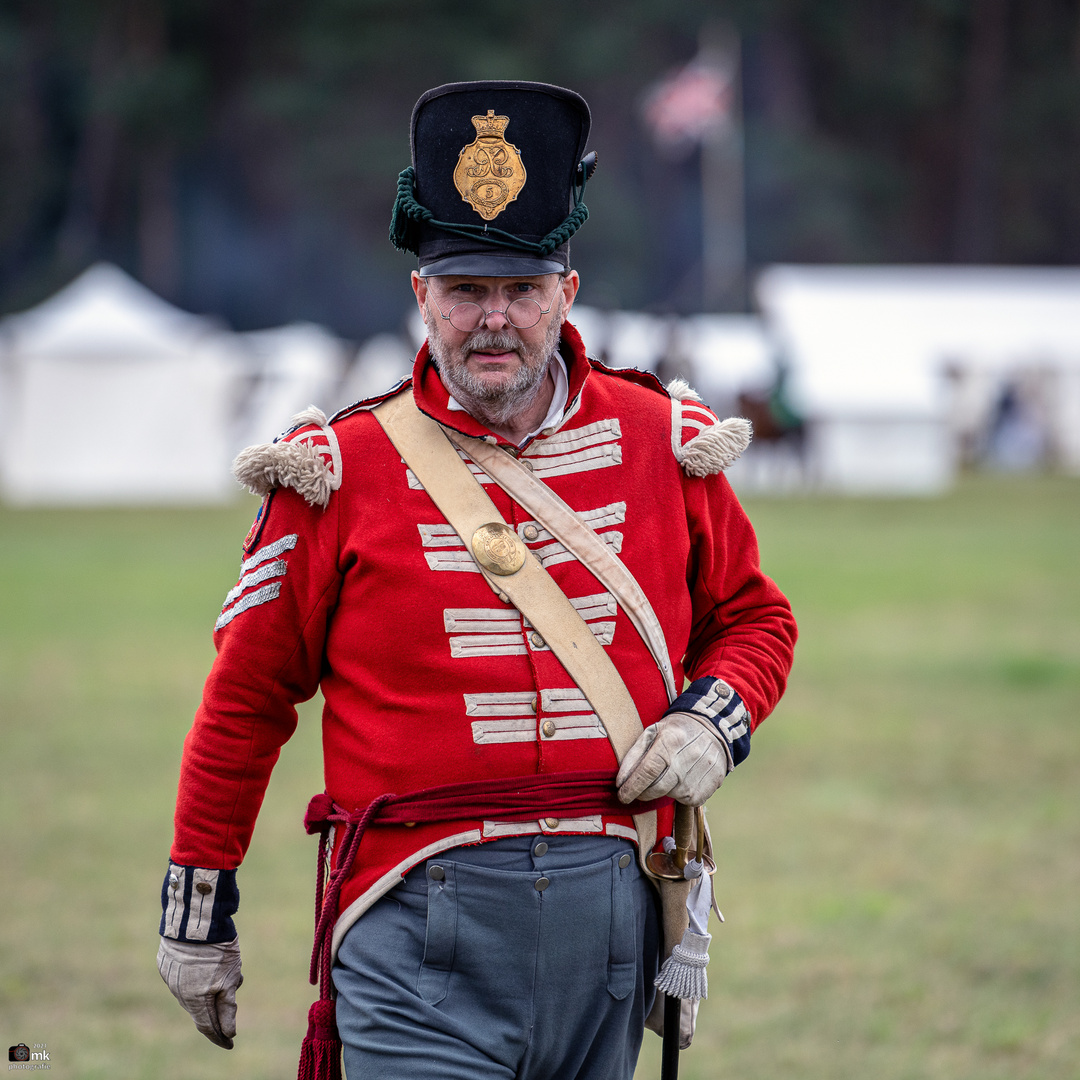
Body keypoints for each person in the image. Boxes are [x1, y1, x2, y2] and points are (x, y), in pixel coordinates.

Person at [157, 80, 797, 1080]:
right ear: (422, 298)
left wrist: (709, 724)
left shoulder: (660, 442)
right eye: (464, 292)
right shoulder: (337, 469)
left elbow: (755, 620)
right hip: (414, 932)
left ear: (566, 293)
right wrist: (198, 908)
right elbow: (244, 699)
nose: (492, 322)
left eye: (521, 291)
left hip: (612, 932)